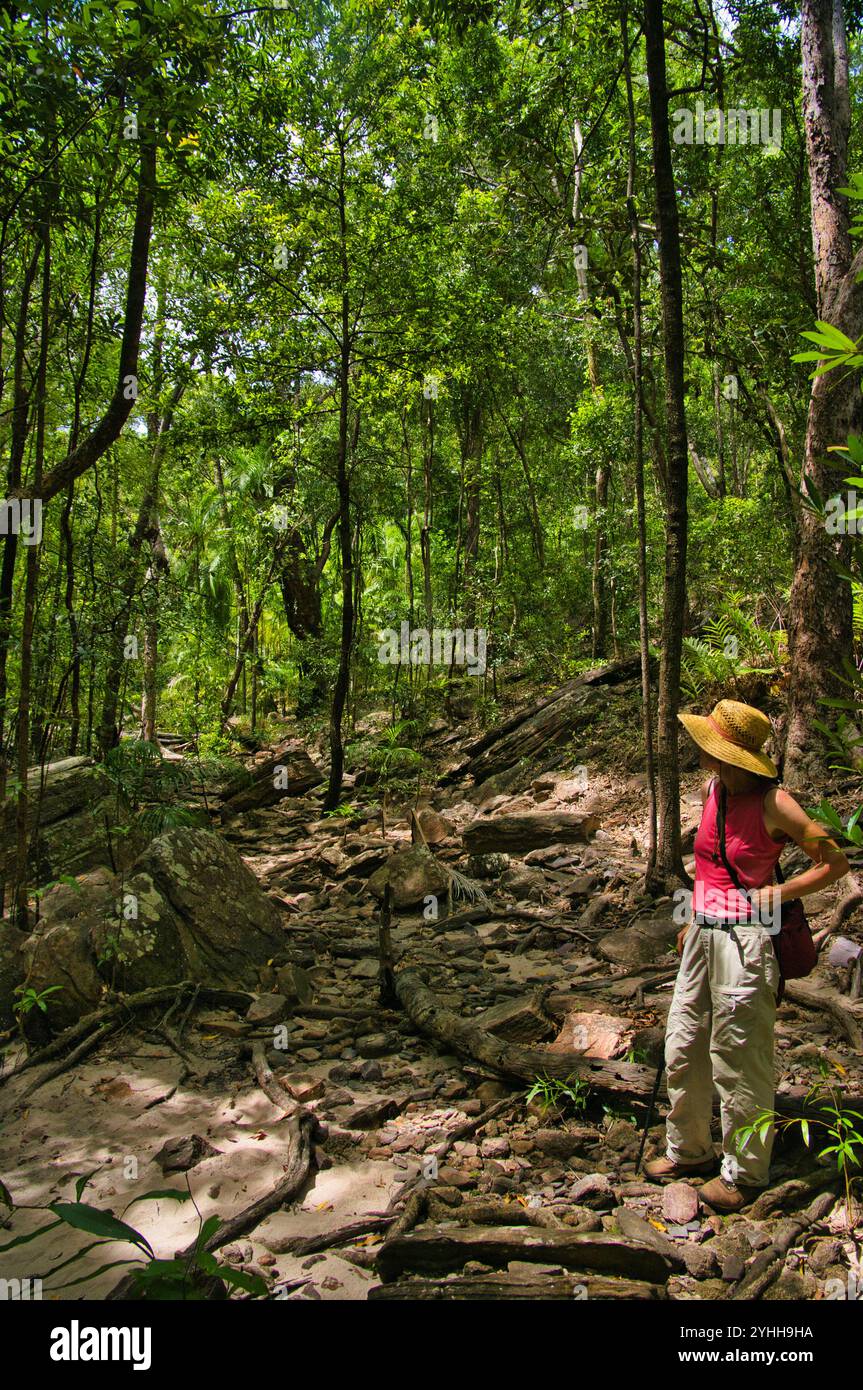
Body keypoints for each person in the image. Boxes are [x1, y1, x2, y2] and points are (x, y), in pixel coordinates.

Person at [644, 699, 850, 1211]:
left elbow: (836, 861)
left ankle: (744, 1173)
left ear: (730, 755)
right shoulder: (714, 790)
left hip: (748, 941)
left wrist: (782, 894)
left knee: (739, 1056)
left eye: (708, 746)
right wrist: (691, 919)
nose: (701, 752)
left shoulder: (775, 802)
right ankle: (689, 1149)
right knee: (684, 1042)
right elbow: (709, 864)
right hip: (703, 934)